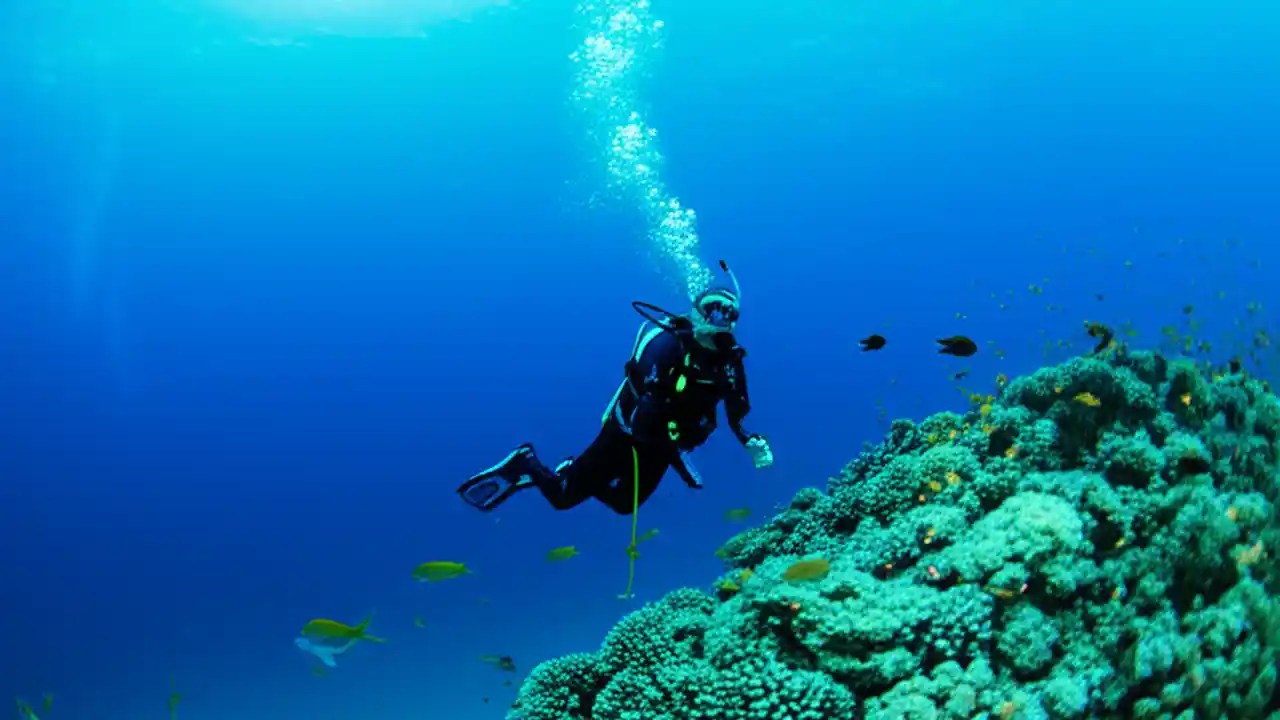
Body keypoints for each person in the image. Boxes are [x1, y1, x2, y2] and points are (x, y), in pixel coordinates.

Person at [457, 261, 773, 515]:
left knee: (624, 505)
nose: (721, 319)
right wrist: (679, 461)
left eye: (729, 313)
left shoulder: (730, 362)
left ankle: (573, 473)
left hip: (665, 446)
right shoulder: (665, 346)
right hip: (625, 434)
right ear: (696, 312)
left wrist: (748, 439)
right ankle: (527, 461)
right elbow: (645, 422)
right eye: (713, 309)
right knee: (563, 498)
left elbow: (735, 408)